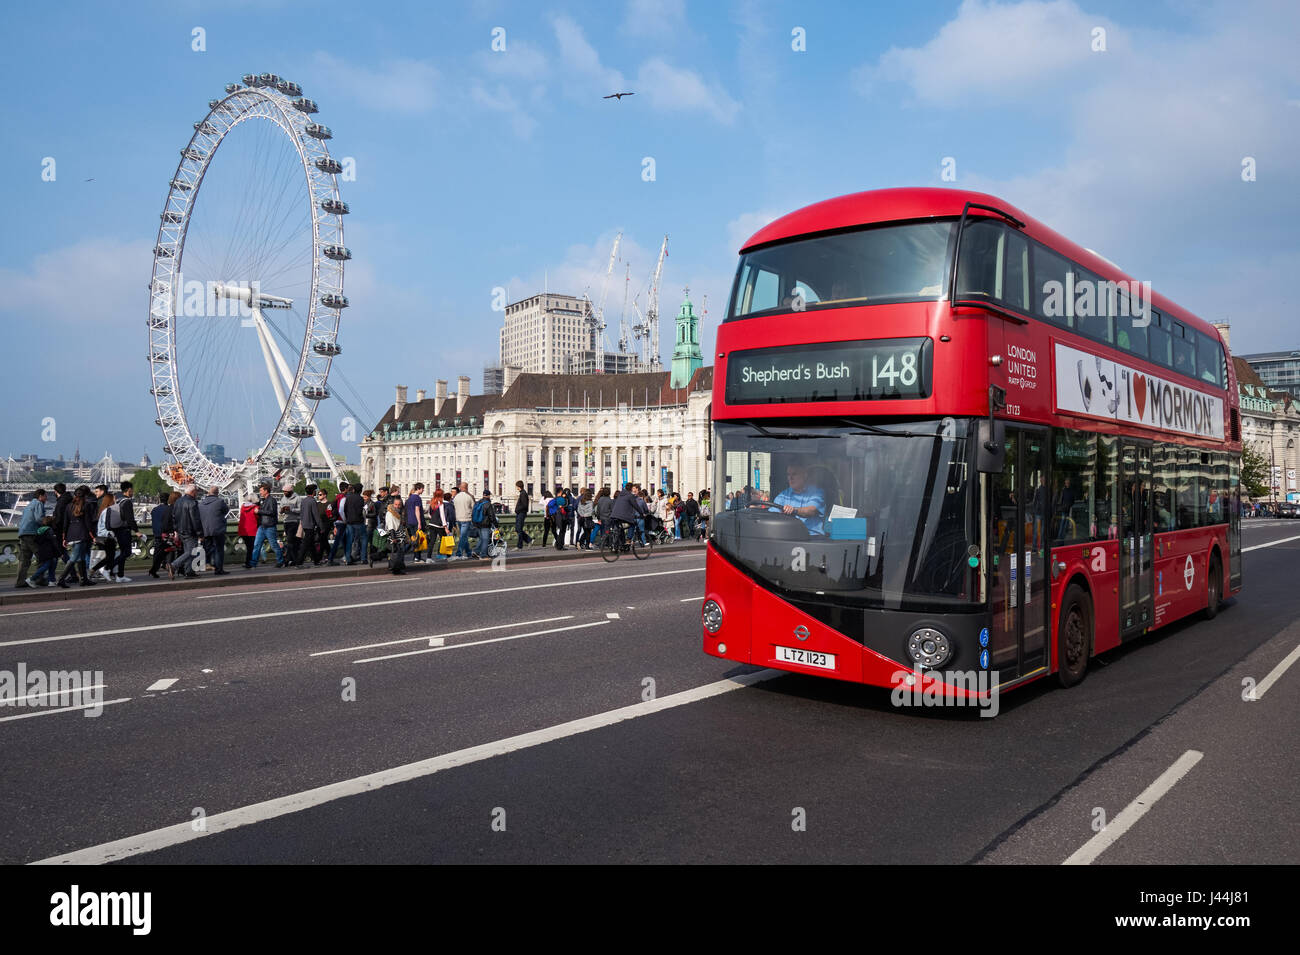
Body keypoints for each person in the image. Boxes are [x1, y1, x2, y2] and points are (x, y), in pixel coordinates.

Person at [769, 463, 827, 535]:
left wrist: (794, 510)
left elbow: (811, 510)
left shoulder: (817, 493)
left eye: (794, 474)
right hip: (787, 537)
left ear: (805, 475)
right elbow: (772, 515)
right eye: (788, 475)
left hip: (812, 539)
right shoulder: (783, 495)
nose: (790, 478)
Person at [57, 487, 96, 588]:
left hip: (71, 534)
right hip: (82, 533)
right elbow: (88, 522)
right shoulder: (86, 505)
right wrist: (92, 535)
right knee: (75, 557)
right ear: (84, 497)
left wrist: (64, 537)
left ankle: (84, 579)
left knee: (81, 557)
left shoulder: (69, 506)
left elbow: (65, 523)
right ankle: (61, 579)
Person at [15, 488, 46, 588]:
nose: (46, 499)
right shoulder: (38, 503)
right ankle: (38, 579)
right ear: (40, 496)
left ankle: (20, 581)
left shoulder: (28, 505)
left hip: (23, 533)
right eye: (45, 496)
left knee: (24, 559)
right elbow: (39, 519)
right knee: (41, 556)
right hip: (32, 533)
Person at [170, 484, 203, 579]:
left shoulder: (178, 502)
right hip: (190, 531)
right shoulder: (192, 503)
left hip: (181, 531)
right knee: (191, 551)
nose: (197, 493)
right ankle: (174, 565)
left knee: (189, 551)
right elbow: (195, 520)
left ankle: (189, 572)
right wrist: (200, 533)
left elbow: (174, 517)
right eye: (196, 491)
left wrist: (176, 530)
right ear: (193, 492)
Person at [249, 483, 285, 569]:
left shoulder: (271, 500)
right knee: (257, 545)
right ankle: (253, 563)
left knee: (273, 546)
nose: (260, 492)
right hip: (262, 526)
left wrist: (259, 511)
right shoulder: (264, 500)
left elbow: (272, 512)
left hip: (269, 526)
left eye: (261, 490)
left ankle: (281, 561)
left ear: (266, 491)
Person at [88, 491, 119, 582]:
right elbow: (108, 524)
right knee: (110, 556)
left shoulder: (104, 510)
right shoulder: (108, 511)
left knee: (110, 556)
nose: (115, 500)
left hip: (104, 535)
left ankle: (99, 570)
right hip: (107, 536)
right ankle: (98, 570)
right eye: (114, 498)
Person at [198, 486, 228, 575]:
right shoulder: (220, 502)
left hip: (205, 530)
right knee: (219, 549)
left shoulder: (201, 503)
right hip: (217, 529)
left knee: (207, 548)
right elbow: (226, 510)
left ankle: (205, 563)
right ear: (217, 493)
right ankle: (218, 569)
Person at [112, 480, 138, 582]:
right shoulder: (127, 502)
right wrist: (136, 530)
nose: (133, 492)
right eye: (132, 490)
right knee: (127, 552)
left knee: (123, 552)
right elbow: (130, 518)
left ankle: (120, 575)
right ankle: (109, 567)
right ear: (129, 490)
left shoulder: (118, 501)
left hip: (118, 529)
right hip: (125, 530)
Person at [27, 516, 61, 588]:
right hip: (50, 551)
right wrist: (59, 553)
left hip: (42, 551)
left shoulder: (39, 530)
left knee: (52, 564)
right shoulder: (49, 530)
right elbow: (54, 542)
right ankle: (31, 579)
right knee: (46, 565)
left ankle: (52, 581)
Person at [298, 484, 325, 566]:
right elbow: (316, 516)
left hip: (304, 524)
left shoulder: (304, 501)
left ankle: (316, 560)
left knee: (311, 544)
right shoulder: (312, 501)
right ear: (313, 492)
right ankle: (299, 562)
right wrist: (321, 527)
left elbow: (301, 513)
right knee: (305, 544)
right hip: (310, 525)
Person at [385, 488, 408, 574]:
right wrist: (394, 538)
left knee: (400, 553)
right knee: (396, 553)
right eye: (396, 504)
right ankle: (397, 569)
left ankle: (398, 568)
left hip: (400, 534)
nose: (397, 506)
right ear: (393, 504)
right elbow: (391, 526)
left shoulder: (399, 512)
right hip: (394, 535)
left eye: (399, 504)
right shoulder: (390, 512)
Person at [280, 483, 302, 567]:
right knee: (293, 542)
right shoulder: (283, 499)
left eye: (286, 492)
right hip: (286, 521)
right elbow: (280, 510)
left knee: (290, 541)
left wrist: (291, 509)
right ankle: (294, 560)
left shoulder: (297, 498)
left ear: (291, 491)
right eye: (284, 491)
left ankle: (287, 560)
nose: (284, 493)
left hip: (294, 522)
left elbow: (300, 510)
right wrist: (282, 510)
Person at [452, 482, 476, 559]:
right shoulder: (469, 497)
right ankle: (459, 553)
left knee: (464, 536)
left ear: (460, 488)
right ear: (466, 487)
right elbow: (474, 508)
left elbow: (453, 507)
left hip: (458, 519)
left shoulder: (456, 497)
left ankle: (468, 553)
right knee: (463, 536)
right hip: (466, 518)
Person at [473, 489, 498, 558]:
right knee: (485, 539)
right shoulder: (488, 504)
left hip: (477, 523)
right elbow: (492, 516)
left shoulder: (478, 502)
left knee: (481, 539)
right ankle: (483, 555)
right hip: (485, 524)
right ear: (489, 496)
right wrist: (496, 525)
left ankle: (476, 551)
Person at [237, 494, 259, 567]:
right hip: (253, 530)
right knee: (252, 547)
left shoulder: (243, 507)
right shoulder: (256, 507)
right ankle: (250, 562)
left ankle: (247, 562)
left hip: (244, 530)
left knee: (248, 547)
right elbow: (257, 517)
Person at [513, 481, 532, 550]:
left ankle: (519, 546)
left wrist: (517, 510)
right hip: (520, 513)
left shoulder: (523, 494)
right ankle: (529, 540)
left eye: (517, 486)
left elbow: (524, 505)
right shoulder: (522, 493)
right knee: (518, 529)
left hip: (521, 513)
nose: (516, 488)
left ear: (518, 486)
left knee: (519, 529)